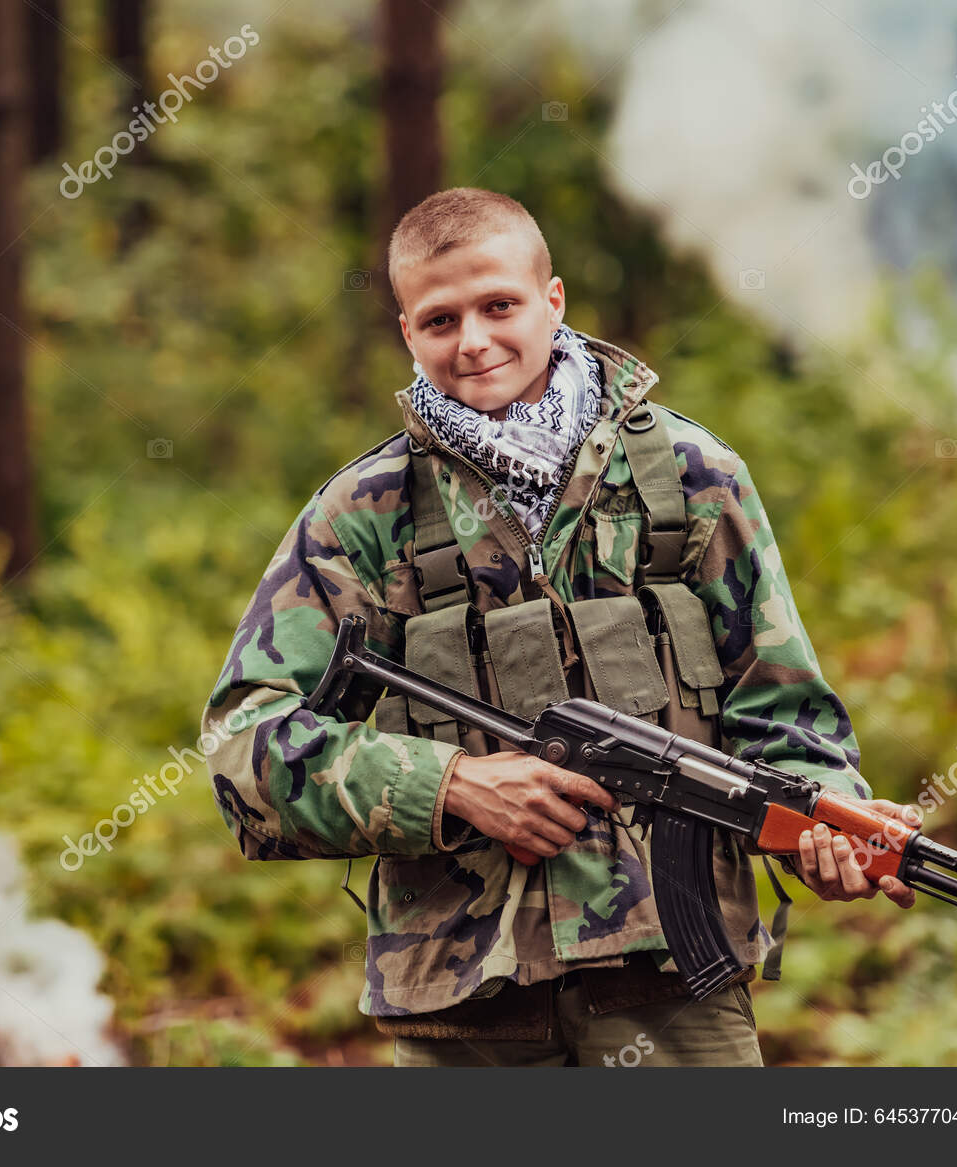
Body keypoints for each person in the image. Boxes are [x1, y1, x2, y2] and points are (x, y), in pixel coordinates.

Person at [205, 187, 920, 1067]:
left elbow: (785, 711)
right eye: (440, 319)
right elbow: (247, 745)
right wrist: (452, 784)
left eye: (498, 305)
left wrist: (823, 815)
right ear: (406, 333)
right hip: (466, 1014)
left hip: (673, 1004)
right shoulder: (363, 515)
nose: (473, 340)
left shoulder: (691, 478)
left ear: (553, 302)